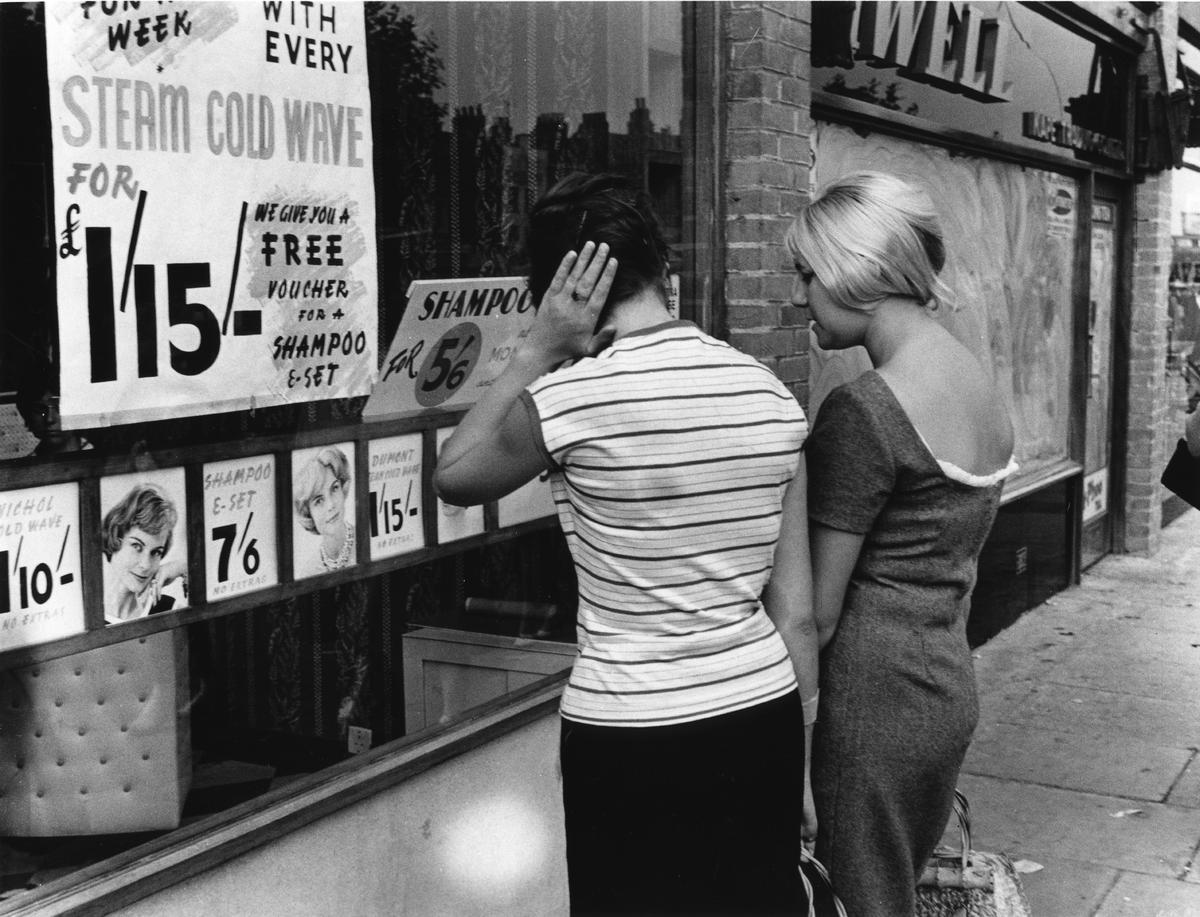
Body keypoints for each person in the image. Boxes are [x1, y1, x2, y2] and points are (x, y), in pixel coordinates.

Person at [435, 173, 819, 915]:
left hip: (632, 727)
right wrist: (798, 763)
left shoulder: (568, 399)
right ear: (663, 273)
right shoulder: (771, 395)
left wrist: (538, 347)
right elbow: (796, 613)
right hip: (760, 713)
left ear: (559, 291)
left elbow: (454, 473)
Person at [787, 171, 1017, 916]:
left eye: (809, 272)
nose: (801, 294)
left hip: (867, 702)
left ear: (860, 270)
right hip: (944, 684)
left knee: (856, 900)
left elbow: (815, 616)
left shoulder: (865, 410)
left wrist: (792, 746)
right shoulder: (978, 384)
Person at [102, 483, 186, 624]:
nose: (146, 565)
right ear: (115, 537)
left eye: (156, 552)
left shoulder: (170, 609)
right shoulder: (83, 615)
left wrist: (184, 567)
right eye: (137, 546)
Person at [293, 446, 356, 573]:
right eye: (319, 500)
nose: (331, 505)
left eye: (334, 488)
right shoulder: (308, 572)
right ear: (308, 514)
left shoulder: (370, 541)